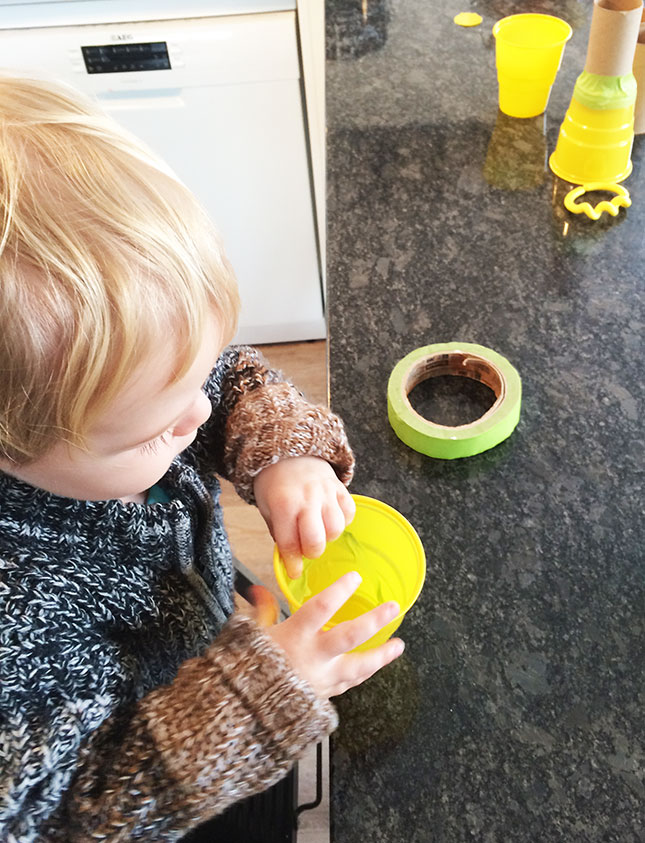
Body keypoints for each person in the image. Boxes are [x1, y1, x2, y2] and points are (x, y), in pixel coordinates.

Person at [0, 74, 404, 841]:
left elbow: (218, 378)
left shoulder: (115, 397)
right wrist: (254, 701)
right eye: (152, 432)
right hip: (177, 791)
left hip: (208, 618)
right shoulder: (14, 615)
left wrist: (284, 453)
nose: (200, 411)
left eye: (196, 372)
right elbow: (78, 817)